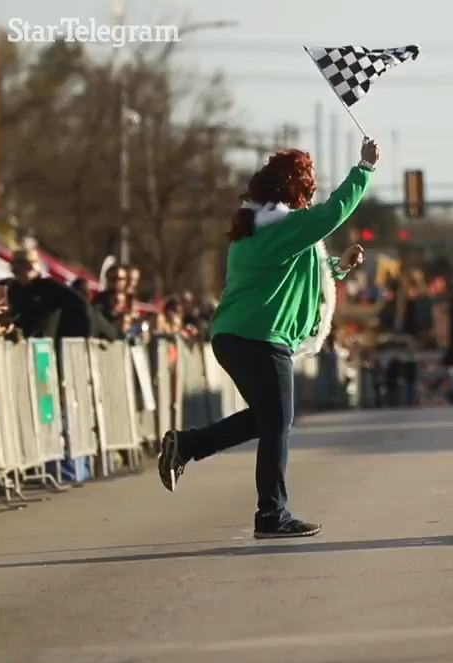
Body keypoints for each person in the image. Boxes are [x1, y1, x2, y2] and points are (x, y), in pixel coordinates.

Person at [155, 138, 379, 539]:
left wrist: (339, 267)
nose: (311, 196)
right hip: (258, 337)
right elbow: (333, 214)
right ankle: (271, 514)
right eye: (308, 188)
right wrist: (364, 169)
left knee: (268, 419)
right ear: (293, 190)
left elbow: (298, 272)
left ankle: (187, 446)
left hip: (238, 335)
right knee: (277, 423)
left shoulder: (263, 228)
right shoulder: (282, 228)